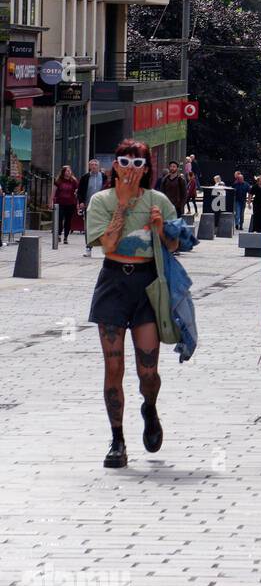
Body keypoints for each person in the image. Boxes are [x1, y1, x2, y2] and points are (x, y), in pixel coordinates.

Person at [85, 139, 184, 468]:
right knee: (113, 366)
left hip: (147, 284)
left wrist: (160, 229)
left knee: (148, 370)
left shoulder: (159, 201)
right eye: (123, 162)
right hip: (113, 282)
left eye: (137, 164)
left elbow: (173, 246)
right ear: (114, 165)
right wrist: (123, 207)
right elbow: (107, 244)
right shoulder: (101, 200)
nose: (129, 169)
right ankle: (117, 439)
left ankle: (150, 407)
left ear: (146, 169)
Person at [77, 159, 105, 255]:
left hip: (102, 207)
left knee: (103, 226)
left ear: (99, 166)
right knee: (88, 227)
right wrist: (81, 202)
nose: (94, 166)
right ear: (89, 167)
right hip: (88, 205)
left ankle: (105, 247)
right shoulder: (85, 177)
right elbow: (80, 191)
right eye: (92, 165)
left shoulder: (104, 177)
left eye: (95, 165)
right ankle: (88, 247)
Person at [52, 165, 79, 245]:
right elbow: (53, 192)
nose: (69, 172)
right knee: (59, 219)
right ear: (63, 172)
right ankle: (59, 234)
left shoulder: (74, 181)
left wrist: (78, 202)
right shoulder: (58, 181)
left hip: (71, 203)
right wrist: (51, 201)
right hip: (60, 203)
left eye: (69, 171)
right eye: (67, 171)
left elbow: (77, 193)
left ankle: (66, 237)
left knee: (68, 220)